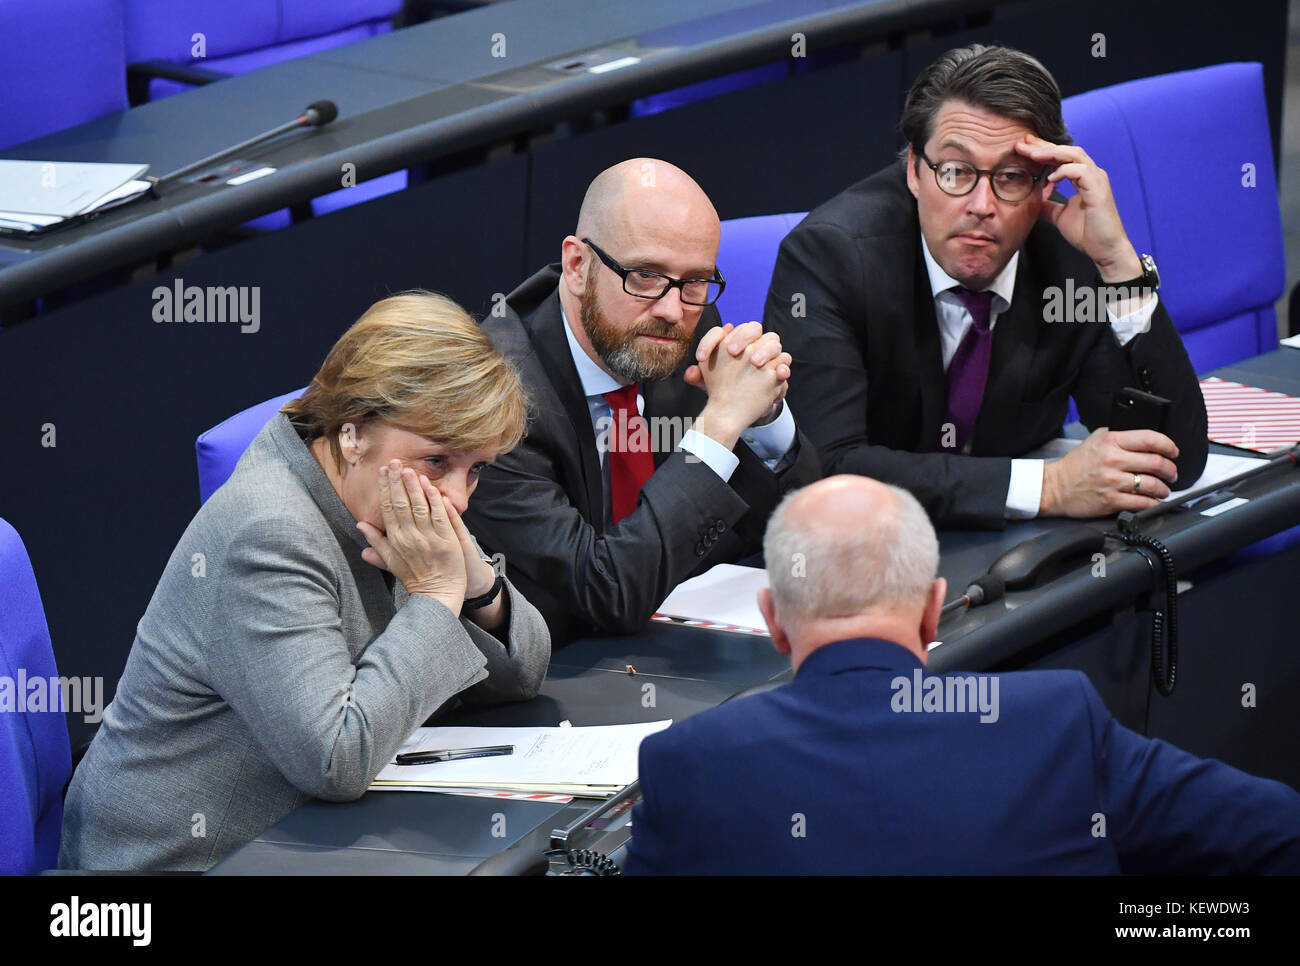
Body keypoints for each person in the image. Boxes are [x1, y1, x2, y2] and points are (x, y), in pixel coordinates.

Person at [60, 293, 550, 872]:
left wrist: (475, 585)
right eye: (438, 461)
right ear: (353, 433)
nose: (459, 498)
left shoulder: (377, 497)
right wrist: (436, 597)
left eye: (477, 470)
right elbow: (338, 759)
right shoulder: (269, 532)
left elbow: (526, 673)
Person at [624, 475, 1300, 874]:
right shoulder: (1056, 721)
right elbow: (1274, 833)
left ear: (773, 620)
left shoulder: (688, 764)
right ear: (932, 609)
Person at [765, 44, 1208, 529]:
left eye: (1012, 177)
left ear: (1044, 187)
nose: (981, 204)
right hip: (869, 550)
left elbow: (1175, 462)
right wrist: (1051, 486)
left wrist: (1118, 264)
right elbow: (828, 474)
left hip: (1019, 556)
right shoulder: (829, 258)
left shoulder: (1070, 253)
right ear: (914, 170)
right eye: (956, 172)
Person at [464, 158, 820, 645]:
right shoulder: (490, 398)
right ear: (576, 265)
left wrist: (765, 416)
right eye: (646, 276)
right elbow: (605, 591)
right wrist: (718, 424)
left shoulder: (679, 327)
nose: (673, 309)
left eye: (695, 281)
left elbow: (800, 527)